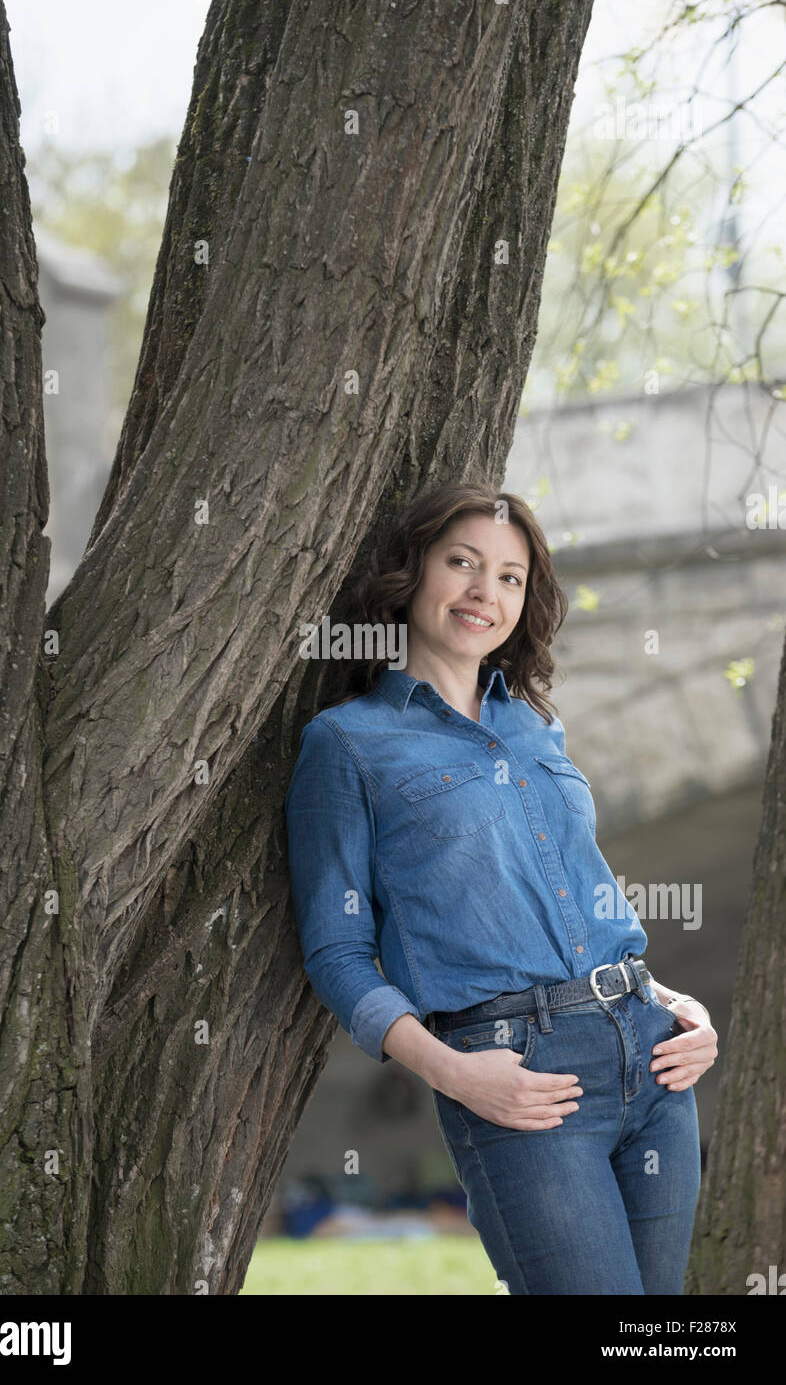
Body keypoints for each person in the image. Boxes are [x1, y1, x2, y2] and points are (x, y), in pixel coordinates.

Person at [283, 480, 718, 1295]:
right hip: (519, 1077)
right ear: (413, 572)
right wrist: (454, 1071)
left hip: (652, 1059)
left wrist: (671, 1000)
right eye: (463, 563)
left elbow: (578, 899)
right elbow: (336, 953)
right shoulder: (347, 743)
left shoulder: (533, 723)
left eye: (511, 577)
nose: (486, 591)